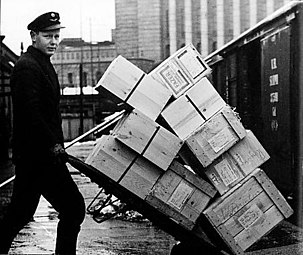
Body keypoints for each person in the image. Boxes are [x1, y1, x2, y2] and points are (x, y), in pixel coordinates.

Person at [0, 12, 85, 254]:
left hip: (38, 156)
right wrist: (53, 145)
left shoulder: (41, 63)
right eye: (48, 36)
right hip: (39, 156)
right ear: (34, 36)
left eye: (57, 36)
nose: (54, 41)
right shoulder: (27, 67)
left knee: (20, 213)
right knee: (73, 208)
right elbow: (31, 114)